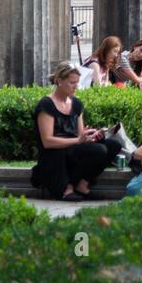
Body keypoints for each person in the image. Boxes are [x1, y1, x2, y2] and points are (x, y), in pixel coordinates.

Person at [30, 62, 123, 201]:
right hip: (54, 152)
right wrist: (78, 140)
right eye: (72, 82)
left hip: (72, 147)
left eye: (77, 82)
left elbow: (79, 134)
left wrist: (90, 136)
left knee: (113, 145)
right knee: (99, 150)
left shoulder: (76, 104)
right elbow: (48, 141)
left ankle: (82, 184)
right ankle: (66, 188)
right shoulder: (46, 105)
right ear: (60, 81)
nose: (76, 86)